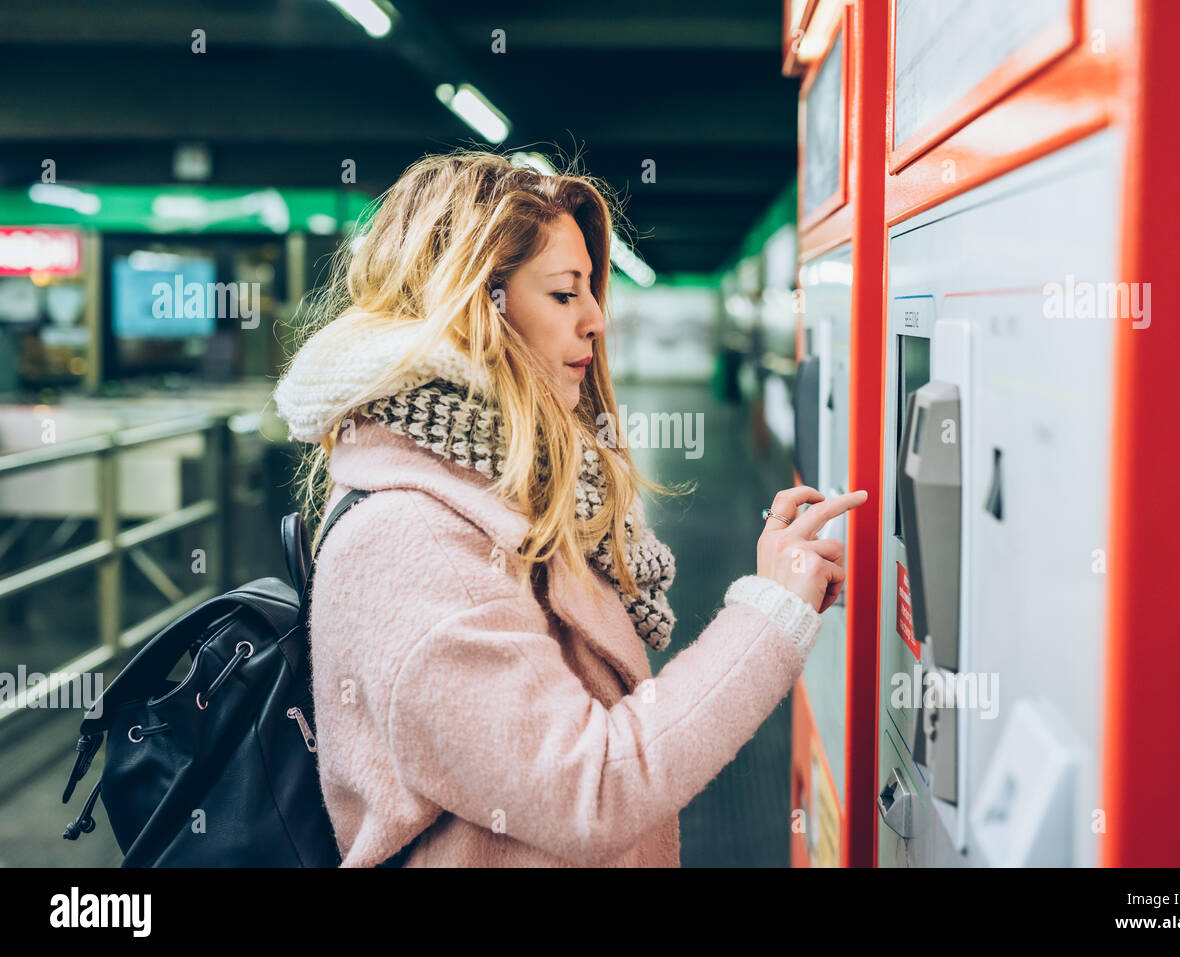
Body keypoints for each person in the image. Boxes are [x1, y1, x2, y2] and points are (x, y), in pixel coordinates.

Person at [272, 149, 868, 867]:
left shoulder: (495, 487)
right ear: (477, 307)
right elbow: (593, 787)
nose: (595, 319)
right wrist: (772, 611)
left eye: (591, 290)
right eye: (563, 293)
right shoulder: (409, 540)